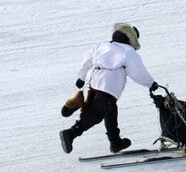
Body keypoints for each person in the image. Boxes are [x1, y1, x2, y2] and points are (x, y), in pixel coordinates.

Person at [60, 23, 159, 154]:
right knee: (97, 113)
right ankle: (71, 133)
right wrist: (150, 83)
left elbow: (87, 60)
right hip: (108, 85)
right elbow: (137, 71)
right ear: (132, 39)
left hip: (93, 82)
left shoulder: (102, 45)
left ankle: (115, 142)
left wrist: (82, 78)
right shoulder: (128, 51)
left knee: (111, 110)